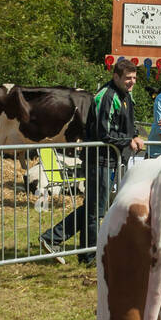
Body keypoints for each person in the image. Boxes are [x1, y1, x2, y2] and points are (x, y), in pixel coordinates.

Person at [41, 57, 145, 263]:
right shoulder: (106, 97)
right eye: (127, 78)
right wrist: (128, 140)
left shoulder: (126, 96)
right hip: (99, 160)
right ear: (116, 76)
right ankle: (88, 256)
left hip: (112, 159)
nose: (131, 82)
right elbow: (103, 132)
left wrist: (133, 135)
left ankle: (54, 237)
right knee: (95, 210)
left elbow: (128, 125)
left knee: (96, 206)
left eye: (134, 78)